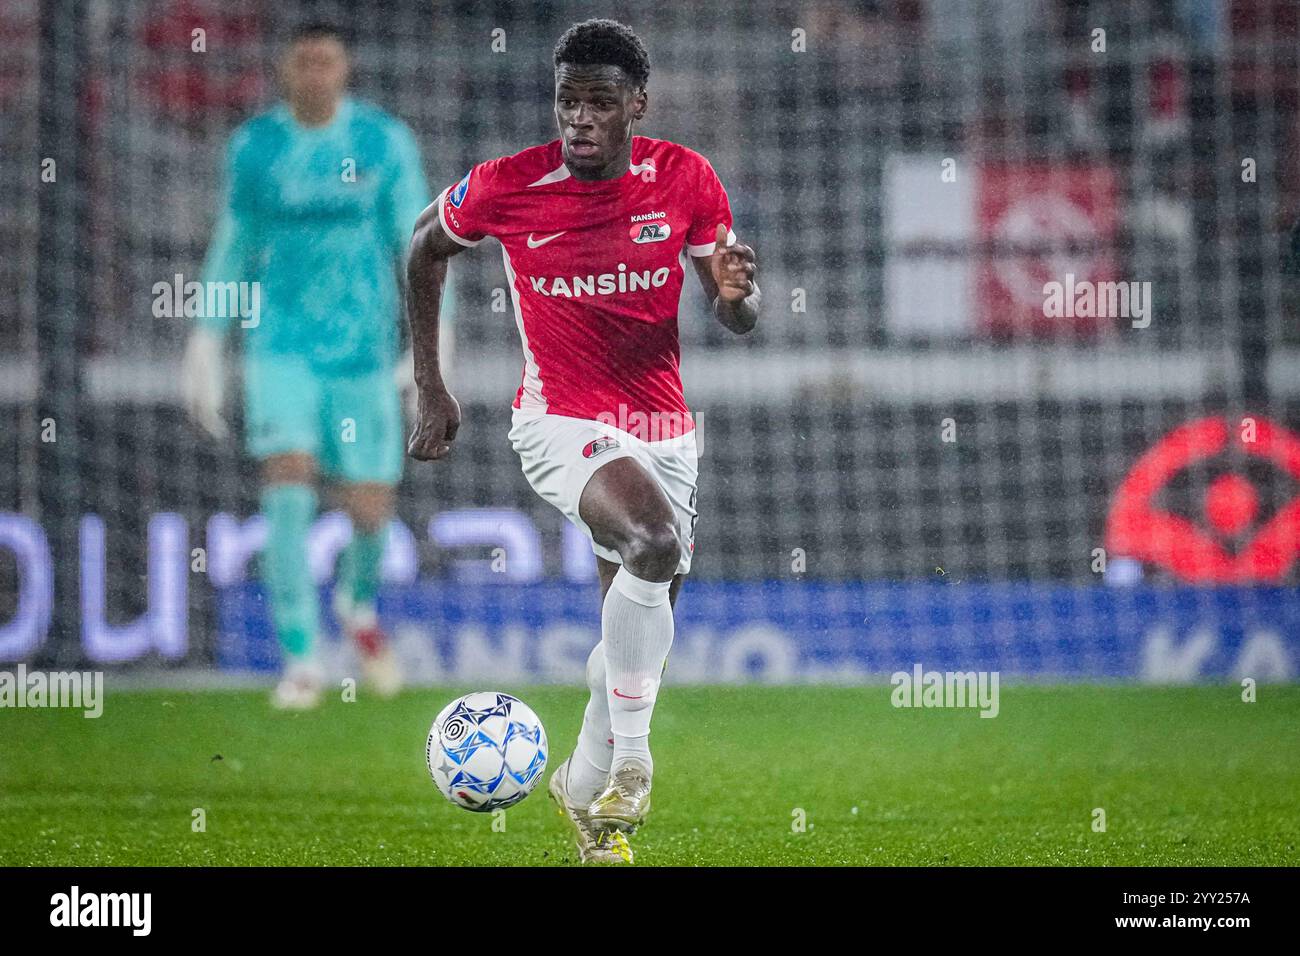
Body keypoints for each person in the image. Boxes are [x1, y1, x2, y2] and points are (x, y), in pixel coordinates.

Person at [405, 19, 759, 862]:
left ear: (637, 104)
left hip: (663, 429)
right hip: (560, 420)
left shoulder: (686, 178)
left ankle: (588, 807)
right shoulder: (508, 186)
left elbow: (735, 312)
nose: (581, 119)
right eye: (569, 100)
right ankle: (634, 762)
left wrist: (741, 295)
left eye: (601, 102)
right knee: (653, 540)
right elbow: (422, 250)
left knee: (633, 640)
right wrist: (431, 382)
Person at [182, 22, 439, 709]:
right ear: (285, 70)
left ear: (345, 68)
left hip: (363, 352)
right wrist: (207, 337)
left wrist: (427, 346)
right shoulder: (256, 147)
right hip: (280, 346)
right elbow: (234, 243)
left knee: (368, 506)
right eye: (304, 61)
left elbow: (418, 244)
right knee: (288, 473)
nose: (316, 73)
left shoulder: (383, 142)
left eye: (327, 60)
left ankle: (356, 606)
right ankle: (300, 658)